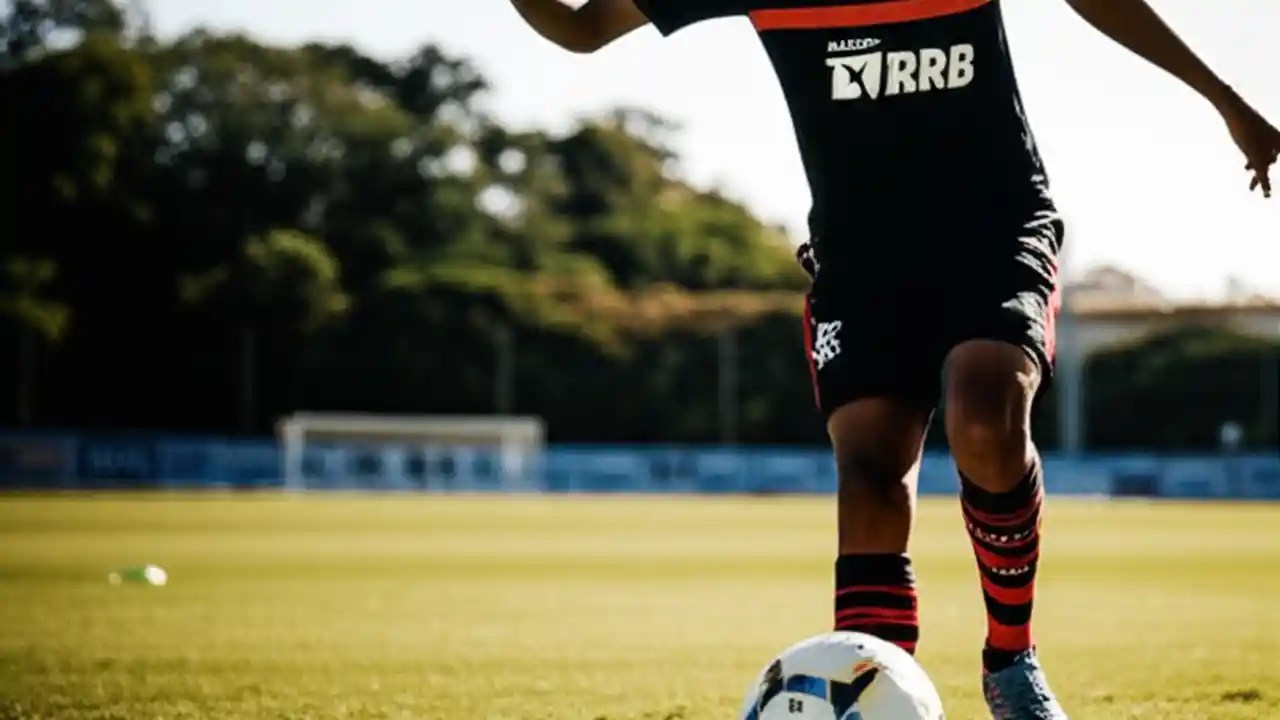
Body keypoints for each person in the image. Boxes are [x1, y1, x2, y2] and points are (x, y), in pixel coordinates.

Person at [505, 0, 1280, 717]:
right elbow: (580, 27)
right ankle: (879, 689)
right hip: (862, 261)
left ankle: (1010, 662)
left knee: (985, 416)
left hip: (994, 232)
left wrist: (1225, 100)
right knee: (871, 478)